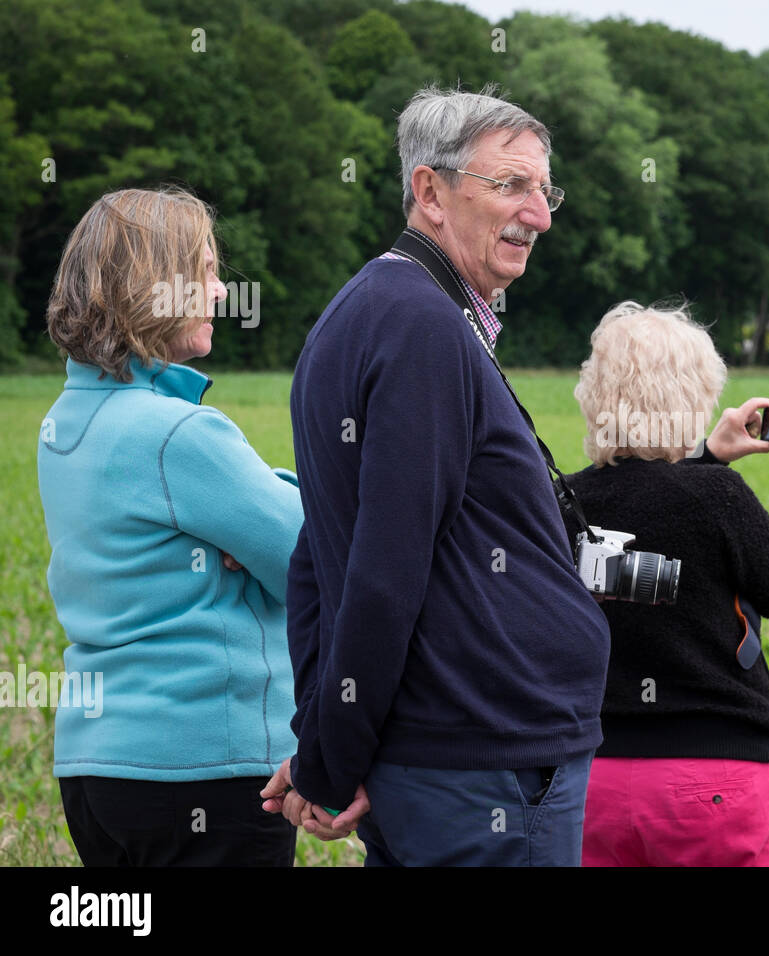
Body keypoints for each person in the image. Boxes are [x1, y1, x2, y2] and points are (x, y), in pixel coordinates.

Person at [260, 86, 612, 866]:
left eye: (544, 189)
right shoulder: (421, 326)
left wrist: (326, 746)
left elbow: (321, 555)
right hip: (481, 761)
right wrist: (331, 754)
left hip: (441, 755)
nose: (541, 214)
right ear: (430, 191)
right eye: (511, 185)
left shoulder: (365, 311)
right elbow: (382, 571)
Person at [38, 187, 304, 866]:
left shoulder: (66, 421)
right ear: (156, 287)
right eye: (207, 271)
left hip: (97, 774)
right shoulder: (180, 434)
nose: (221, 292)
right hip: (203, 771)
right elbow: (312, 558)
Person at [563, 300, 769, 866]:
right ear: (691, 399)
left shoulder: (562, 503)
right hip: (715, 781)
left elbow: (646, 521)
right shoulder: (716, 498)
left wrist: (706, 457)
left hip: (591, 783)